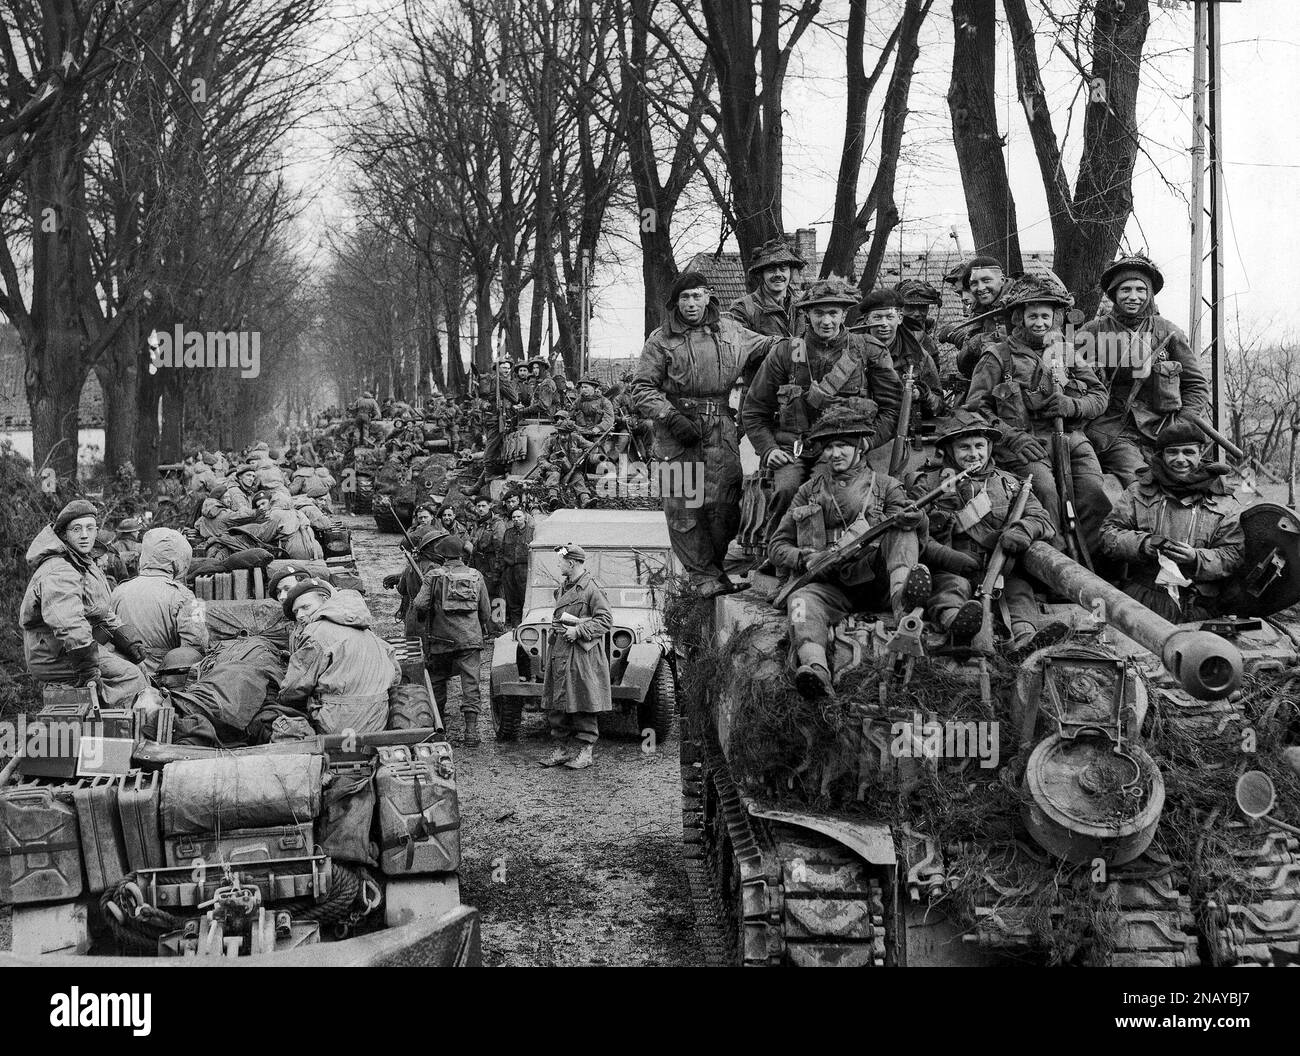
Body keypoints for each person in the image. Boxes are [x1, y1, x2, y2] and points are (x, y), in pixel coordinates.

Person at [630, 271, 785, 595]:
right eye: (684, 297)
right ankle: (702, 576)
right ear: (676, 302)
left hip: (721, 429)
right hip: (677, 434)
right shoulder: (661, 339)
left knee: (725, 507)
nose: (691, 303)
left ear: (708, 297)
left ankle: (714, 569)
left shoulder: (730, 330)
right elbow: (642, 388)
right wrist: (669, 415)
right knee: (684, 508)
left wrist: (803, 346)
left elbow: (770, 347)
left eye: (697, 296)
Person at [768, 407, 930, 699]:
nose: (834, 453)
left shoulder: (887, 486)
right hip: (833, 586)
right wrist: (805, 558)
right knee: (800, 601)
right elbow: (777, 545)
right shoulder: (808, 491)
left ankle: (905, 611)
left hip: (879, 582)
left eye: (842, 445)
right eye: (828, 447)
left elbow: (913, 539)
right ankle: (816, 669)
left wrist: (917, 520)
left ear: (860, 447)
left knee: (902, 527)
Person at [742, 277, 903, 554]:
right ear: (807, 314)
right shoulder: (786, 351)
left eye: (833, 313)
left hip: (844, 448)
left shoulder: (867, 350)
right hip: (793, 447)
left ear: (844, 314)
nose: (826, 321)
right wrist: (768, 449)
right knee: (787, 489)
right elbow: (755, 410)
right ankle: (779, 553)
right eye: (818, 312)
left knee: (834, 493)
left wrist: (865, 443)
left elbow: (892, 409)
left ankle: (843, 555)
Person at [962, 272, 1111, 555]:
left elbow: (1099, 396)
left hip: (1070, 439)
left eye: (1046, 316)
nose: (1040, 323)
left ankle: (1096, 565)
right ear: (1019, 317)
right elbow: (974, 409)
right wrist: (1011, 437)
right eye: (1032, 316)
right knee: (1045, 493)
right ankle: (1052, 563)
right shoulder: (998, 356)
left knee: (1093, 492)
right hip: (1023, 443)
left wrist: (1073, 406)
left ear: (1055, 318)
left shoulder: (1067, 352)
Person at [913, 410, 1055, 647]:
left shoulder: (1012, 484)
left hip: (1001, 568)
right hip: (952, 568)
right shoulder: (929, 485)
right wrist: (948, 557)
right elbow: (915, 532)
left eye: (980, 445)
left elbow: (1041, 518)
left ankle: (1025, 641)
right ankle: (957, 628)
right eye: (964, 447)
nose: (973, 454)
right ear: (950, 450)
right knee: (950, 590)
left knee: (1019, 593)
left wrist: (1022, 530)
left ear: (989, 447)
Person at [1080, 254, 1211, 487]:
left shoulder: (1168, 332)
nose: (1133, 297)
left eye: (1141, 290)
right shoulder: (1092, 332)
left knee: (1193, 482)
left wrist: (1181, 424)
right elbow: (1072, 381)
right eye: (1125, 290)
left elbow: (1196, 385)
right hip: (1113, 429)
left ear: (1149, 294)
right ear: (1113, 294)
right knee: (1141, 480)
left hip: (1163, 427)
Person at [1099, 419, 1244, 622]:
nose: (1180, 459)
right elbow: (1108, 535)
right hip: (1144, 599)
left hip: (1202, 607)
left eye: (1188, 452)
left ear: (1200, 453)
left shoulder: (1223, 500)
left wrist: (1196, 557)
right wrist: (1143, 544)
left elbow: (1234, 556)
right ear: (1161, 455)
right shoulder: (1138, 492)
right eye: (1172, 452)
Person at [20, 500, 149, 704]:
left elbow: (98, 608)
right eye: (76, 529)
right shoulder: (59, 570)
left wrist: (124, 635)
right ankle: (114, 725)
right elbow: (68, 622)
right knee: (130, 676)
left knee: (138, 665)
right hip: (53, 653)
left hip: (74, 645)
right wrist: (88, 668)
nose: (84, 535)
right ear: (64, 534)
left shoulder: (83, 561)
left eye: (90, 528)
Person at [278, 579, 400, 735]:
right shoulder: (367, 631)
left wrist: (280, 700)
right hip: (377, 721)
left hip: (337, 726)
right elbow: (395, 673)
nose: (300, 615)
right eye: (296, 612)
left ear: (325, 601)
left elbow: (295, 687)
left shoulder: (315, 632)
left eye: (305, 607)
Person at [413, 535, 494, 746]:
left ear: (441, 554)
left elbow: (420, 604)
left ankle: (440, 731)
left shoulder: (434, 575)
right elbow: (485, 611)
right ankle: (471, 733)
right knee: (471, 684)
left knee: (438, 682)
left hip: (441, 639)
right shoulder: (476, 575)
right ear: (462, 553)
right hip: (469, 639)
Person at [538, 544, 613, 771]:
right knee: (557, 702)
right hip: (560, 651)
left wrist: (579, 630)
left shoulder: (592, 588)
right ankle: (561, 749)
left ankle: (585, 752)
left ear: (571, 563)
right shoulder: (564, 587)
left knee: (582, 702)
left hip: (581, 655)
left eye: (560, 561)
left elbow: (605, 620)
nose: (558, 565)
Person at [109, 527, 209, 676]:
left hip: (127, 675)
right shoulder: (186, 596)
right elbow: (198, 643)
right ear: (178, 561)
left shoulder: (118, 590)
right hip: (167, 677)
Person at [727, 237, 807, 339]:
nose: (778, 274)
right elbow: (740, 347)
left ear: (790, 273)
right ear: (762, 275)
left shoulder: (803, 305)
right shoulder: (743, 308)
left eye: (783, 269)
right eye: (771, 270)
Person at [500, 507, 533, 626]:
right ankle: (515, 627)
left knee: (525, 599)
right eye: (514, 517)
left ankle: (526, 626)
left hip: (525, 570)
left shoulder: (532, 532)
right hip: (509, 570)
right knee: (512, 600)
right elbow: (501, 551)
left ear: (525, 517)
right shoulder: (508, 533)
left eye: (519, 516)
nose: (516, 519)